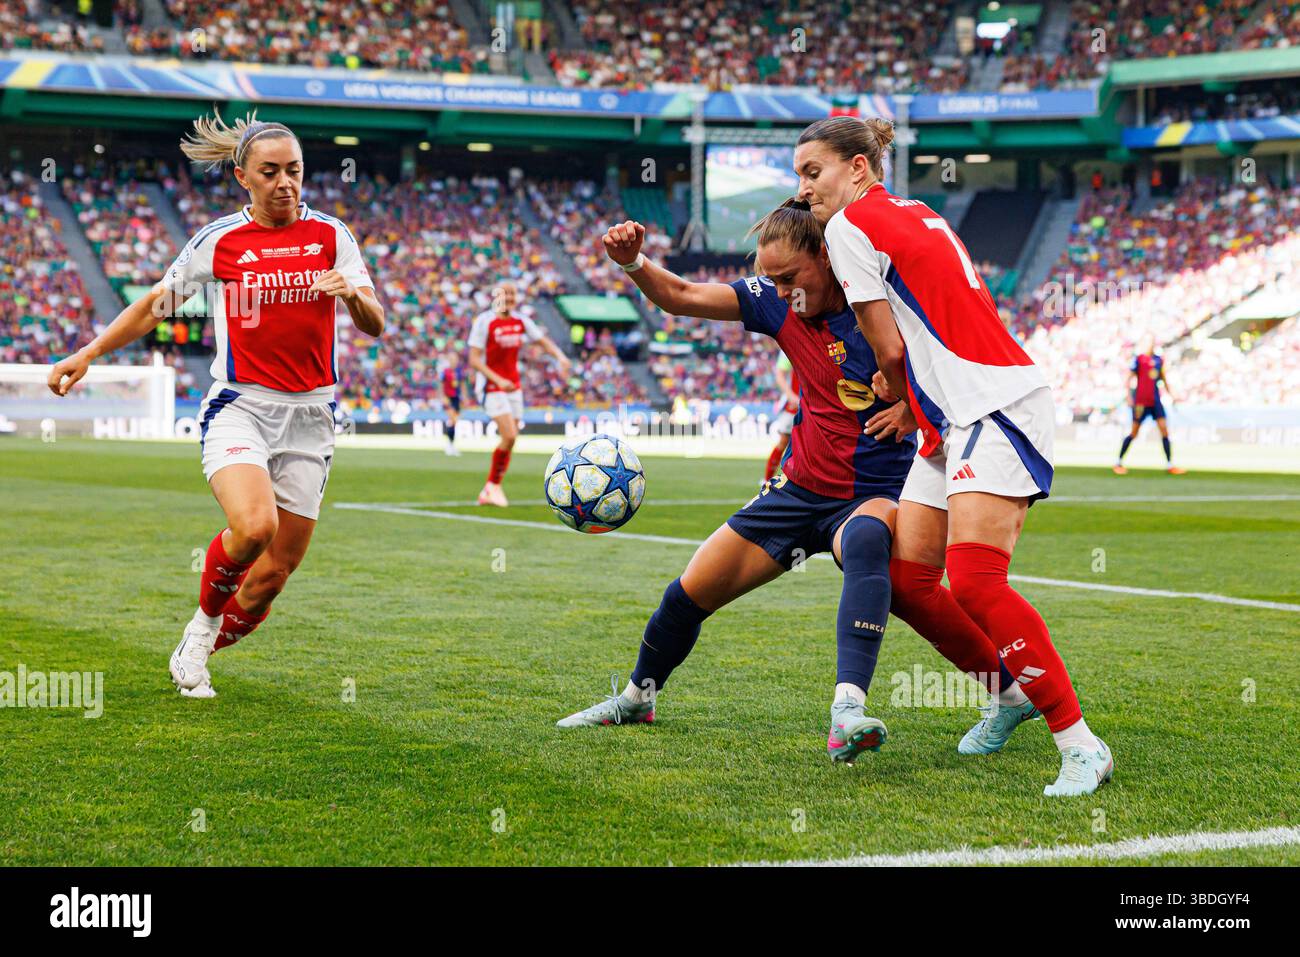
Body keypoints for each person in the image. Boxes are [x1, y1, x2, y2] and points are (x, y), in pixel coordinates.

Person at [795, 114, 1112, 795]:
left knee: (975, 582)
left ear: (858, 168)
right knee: (909, 581)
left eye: (812, 171)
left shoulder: (849, 228)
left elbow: (890, 347)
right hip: (956, 412)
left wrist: (891, 384)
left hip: (990, 403)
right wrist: (915, 399)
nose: (804, 189)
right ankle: (1009, 693)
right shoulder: (913, 210)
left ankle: (1080, 743)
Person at [557, 203, 917, 763]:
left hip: (873, 492)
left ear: (829, 257)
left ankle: (848, 711)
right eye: (771, 280)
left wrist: (914, 410)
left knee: (869, 542)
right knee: (686, 595)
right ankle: (636, 699)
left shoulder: (885, 304)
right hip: (797, 492)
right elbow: (680, 296)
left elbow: (959, 363)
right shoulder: (775, 300)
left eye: (790, 278)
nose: (782, 292)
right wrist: (634, 264)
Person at [47, 112, 384, 698]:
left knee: (271, 579)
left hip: (312, 414)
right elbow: (156, 305)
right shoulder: (220, 240)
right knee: (254, 526)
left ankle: (205, 642)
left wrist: (352, 294)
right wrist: (91, 351)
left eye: (295, 171)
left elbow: (375, 324)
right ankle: (201, 627)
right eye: (271, 172)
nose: (286, 183)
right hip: (241, 406)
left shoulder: (333, 236)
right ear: (242, 177)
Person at [468, 282, 570, 506]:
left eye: (513, 293)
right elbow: (474, 359)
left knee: (511, 439)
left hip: (513, 386)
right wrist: (498, 380)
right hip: (491, 385)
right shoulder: (484, 322)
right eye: (506, 293)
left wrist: (560, 357)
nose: (510, 297)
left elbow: (542, 341)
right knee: (510, 435)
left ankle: (492, 489)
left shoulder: (521, 320)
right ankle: (492, 487)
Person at [1114, 338, 1184, 474]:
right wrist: (1128, 396)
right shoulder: (1138, 360)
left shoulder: (1159, 360)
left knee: (1164, 430)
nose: (1149, 344)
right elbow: (1129, 378)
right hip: (1141, 401)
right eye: (1147, 342)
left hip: (1156, 401)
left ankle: (1170, 465)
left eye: (1151, 342)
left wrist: (1171, 395)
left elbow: (1163, 379)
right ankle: (1118, 462)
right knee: (1134, 432)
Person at [765, 353, 798, 482]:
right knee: (784, 441)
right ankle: (767, 480)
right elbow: (780, 375)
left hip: (814, 402)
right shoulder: (789, 342)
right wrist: (791, 396)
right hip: (794, 404)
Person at [441, 349, 463, 457]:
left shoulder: (459, 371)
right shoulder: (445, 372)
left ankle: (451, 445)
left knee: (454, 422)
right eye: (451, 359)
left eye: (455, 359)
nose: (453, 361)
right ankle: (449, 445)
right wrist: (442, 397)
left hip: (457, 399)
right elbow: (440, 385)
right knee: (452, 419)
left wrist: (465, 398)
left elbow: (462, 385)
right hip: (448, 398)